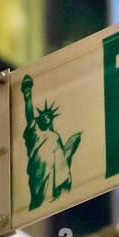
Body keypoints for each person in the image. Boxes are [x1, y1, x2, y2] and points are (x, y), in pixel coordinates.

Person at [21, 74, 81, 211]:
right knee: (38, 200)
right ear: (40, 118)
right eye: (44, 115)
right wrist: (27, 94)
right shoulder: (35, 131)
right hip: (38, 169)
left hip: (54, 173)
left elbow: (63, 160)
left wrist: (71, 146)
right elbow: (29, 115)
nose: (47, 117)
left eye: (50, 116)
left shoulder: (55, 136)